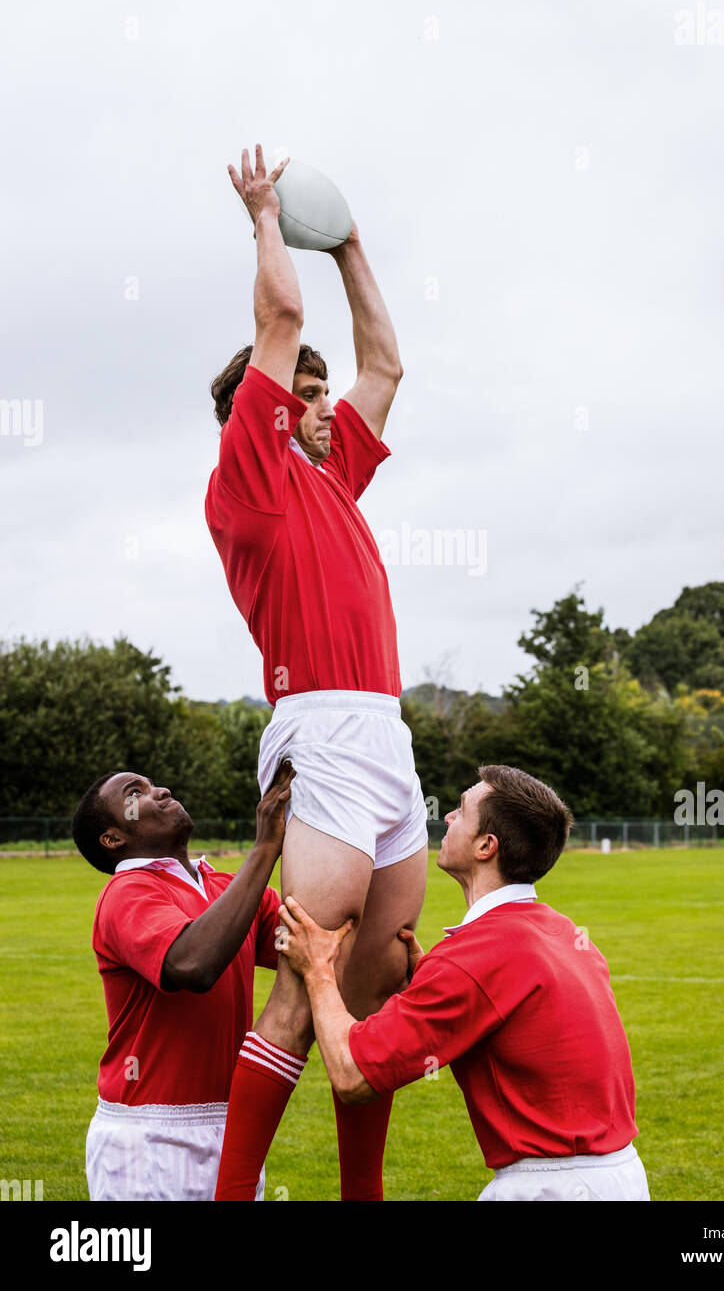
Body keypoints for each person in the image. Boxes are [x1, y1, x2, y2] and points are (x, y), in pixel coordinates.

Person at [205, 146, 428, 1201]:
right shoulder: (247, 481)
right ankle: (229, 1196)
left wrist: (348, 244)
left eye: (316, 393)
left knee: (376, 990)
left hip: (383, 730)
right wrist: (264, 215)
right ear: (250, 411)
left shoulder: (332, 468)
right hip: (325, 729)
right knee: (306, 983)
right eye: (299, 390)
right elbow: (281, 325)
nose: (320, 399)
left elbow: (384, 368)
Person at [276, 765, 651, 1202]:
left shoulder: (475, 959)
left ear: (486, 846)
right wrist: (436, 981)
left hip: (552, 1187)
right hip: (615, 1175)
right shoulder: (562, 931)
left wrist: (318, 969)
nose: (448, 818)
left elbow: (353, 1075)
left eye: (460, 810)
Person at [71, 760, 294, 1201]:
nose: (161, 790)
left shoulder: (225, 888)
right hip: (148, 1136)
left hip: (231, 1128)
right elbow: (193, 965)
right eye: (135, 793)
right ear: (113, 838)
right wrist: (267, 845)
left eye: (153, 783)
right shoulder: (126, 893)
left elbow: (308, 942)